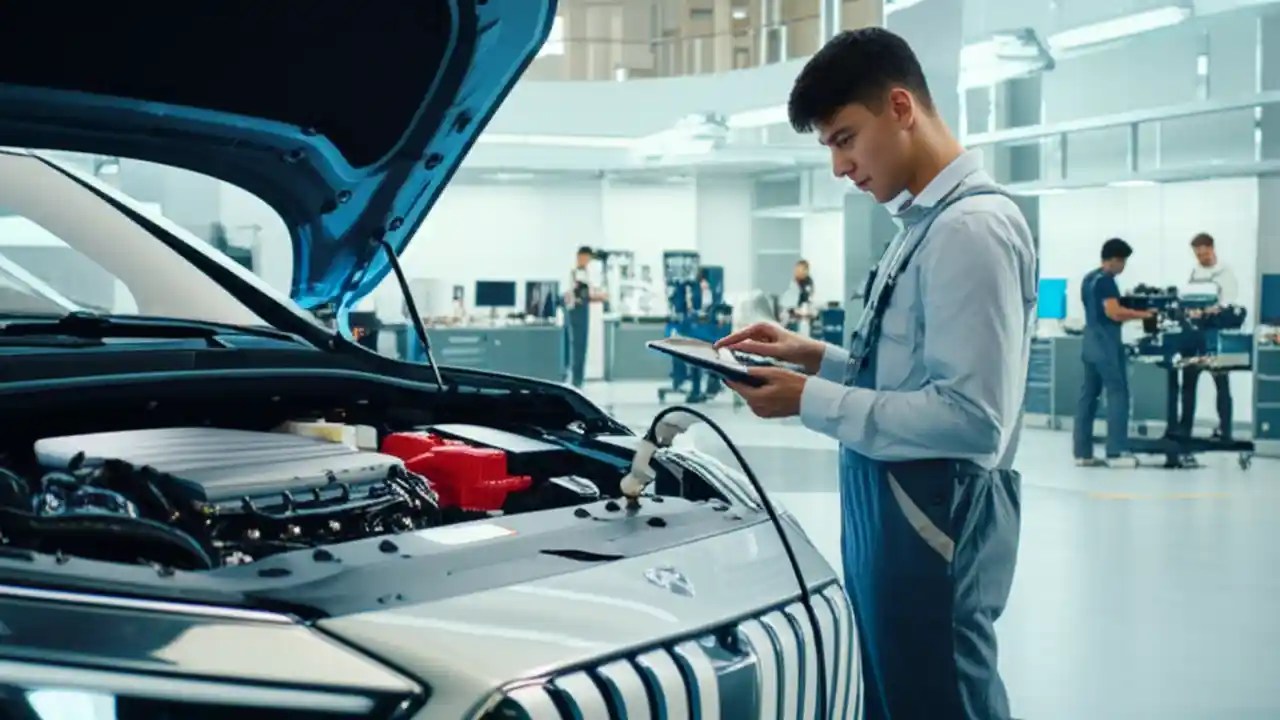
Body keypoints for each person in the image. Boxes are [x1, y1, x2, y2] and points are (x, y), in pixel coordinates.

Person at [716, 28, 1037, 720]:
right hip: (895, 515)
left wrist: (813, 401)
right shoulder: (922, 227)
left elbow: (971, 419)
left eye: (844, 139)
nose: (840, 167)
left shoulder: (970, 230)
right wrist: (813, 357)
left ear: (900, 108)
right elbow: (908, 377)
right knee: (894, 696)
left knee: (940, 699)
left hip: (935, 522)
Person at [1073, 238, 1154, 467]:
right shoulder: (1107, 281)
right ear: (1116, 260)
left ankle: (1083, 453)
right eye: (1124, 262)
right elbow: (1114, 313)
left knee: (1088, 397)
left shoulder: (1089, 279)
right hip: (1106, 344)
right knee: (1118, 393)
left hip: (1089, 342)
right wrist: (1144, 315)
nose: (1123, 267)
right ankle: (1116, 452)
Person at [1180, 232, 1238, 438]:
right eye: (1198, 255)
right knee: (1188, 383)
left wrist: (1206, 311)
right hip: (1195, 333)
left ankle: (1226, 430)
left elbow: (1228, 304)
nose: (1201, 258)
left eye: (1204, 254)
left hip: (1214, 333)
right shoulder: (1195, 272)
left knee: (1221, 382)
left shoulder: (1225, 273)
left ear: (1212, 249)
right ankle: (1184, 428)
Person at [564, 246, 604, 388]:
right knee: (578, 347)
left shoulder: (583, 272)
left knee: (581, 346)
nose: (588, 261)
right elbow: (582, 294)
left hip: (582, 311)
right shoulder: (577, 273)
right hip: (577, 312)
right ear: (580, 256)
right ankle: (576, 381)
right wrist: (599, 296)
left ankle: (578, 379)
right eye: (586, 257)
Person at [781, 259, 816, 333]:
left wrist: (808, 310)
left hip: (802, 317)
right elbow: (787, 306)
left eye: (805, 269)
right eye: (799, 269)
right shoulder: (792, 284)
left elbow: (808, 298)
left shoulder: (808, 282)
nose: (802, 272)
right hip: (789, 318)